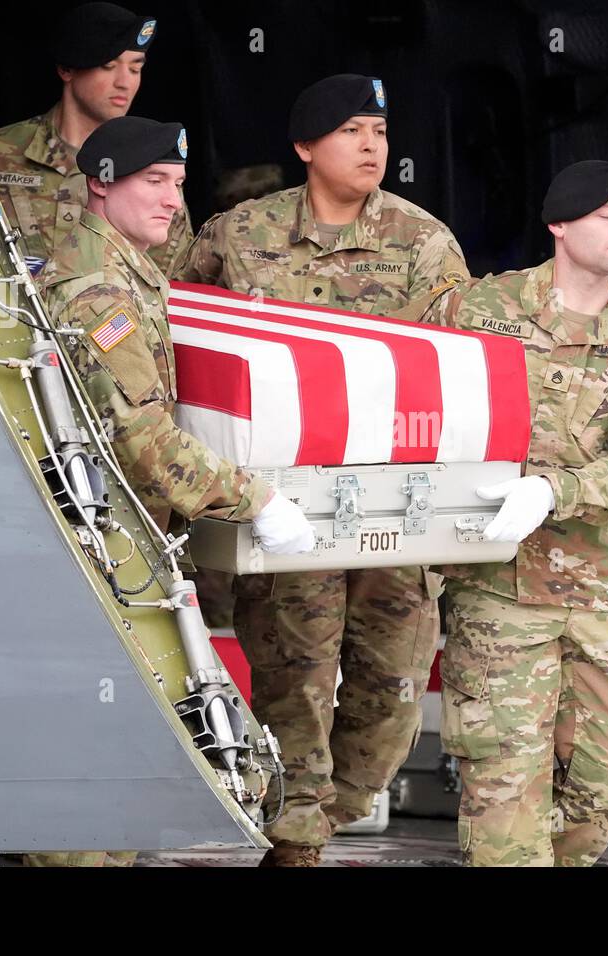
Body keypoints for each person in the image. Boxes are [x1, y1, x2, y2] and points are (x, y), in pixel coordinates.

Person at [180, 74, 469, 865]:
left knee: (393, 685)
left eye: (379, 128)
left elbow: (457, 366)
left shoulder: (425, 242)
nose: (373, 143)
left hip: (390, 505)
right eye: (351, 130)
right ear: (306, 147)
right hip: (288, 505)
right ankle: (295, 825)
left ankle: (329, 809)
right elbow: (181, 334)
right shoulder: (239, 235)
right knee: (293, 674)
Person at [31, 115, 314, 867]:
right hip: (96, 558)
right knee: (95, 778)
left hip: (120, 551)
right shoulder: (95, 293)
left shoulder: (128, 271)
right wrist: (255, 499)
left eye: (178, 185)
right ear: (101, 182)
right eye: (152, 181)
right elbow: (144, 442)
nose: (170, 200)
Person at [421, 158, 608, 866]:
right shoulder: (479, 311)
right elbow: (408, 388)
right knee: (505, 778)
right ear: (560, 224)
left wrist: (556, 490)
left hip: (600, 591)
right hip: (498, 589)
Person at [0, 2, 192, 274]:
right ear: (67, 69)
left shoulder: (155, 168)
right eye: (108, 66)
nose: (124, 83)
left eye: (135, 69)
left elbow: (171, 278)